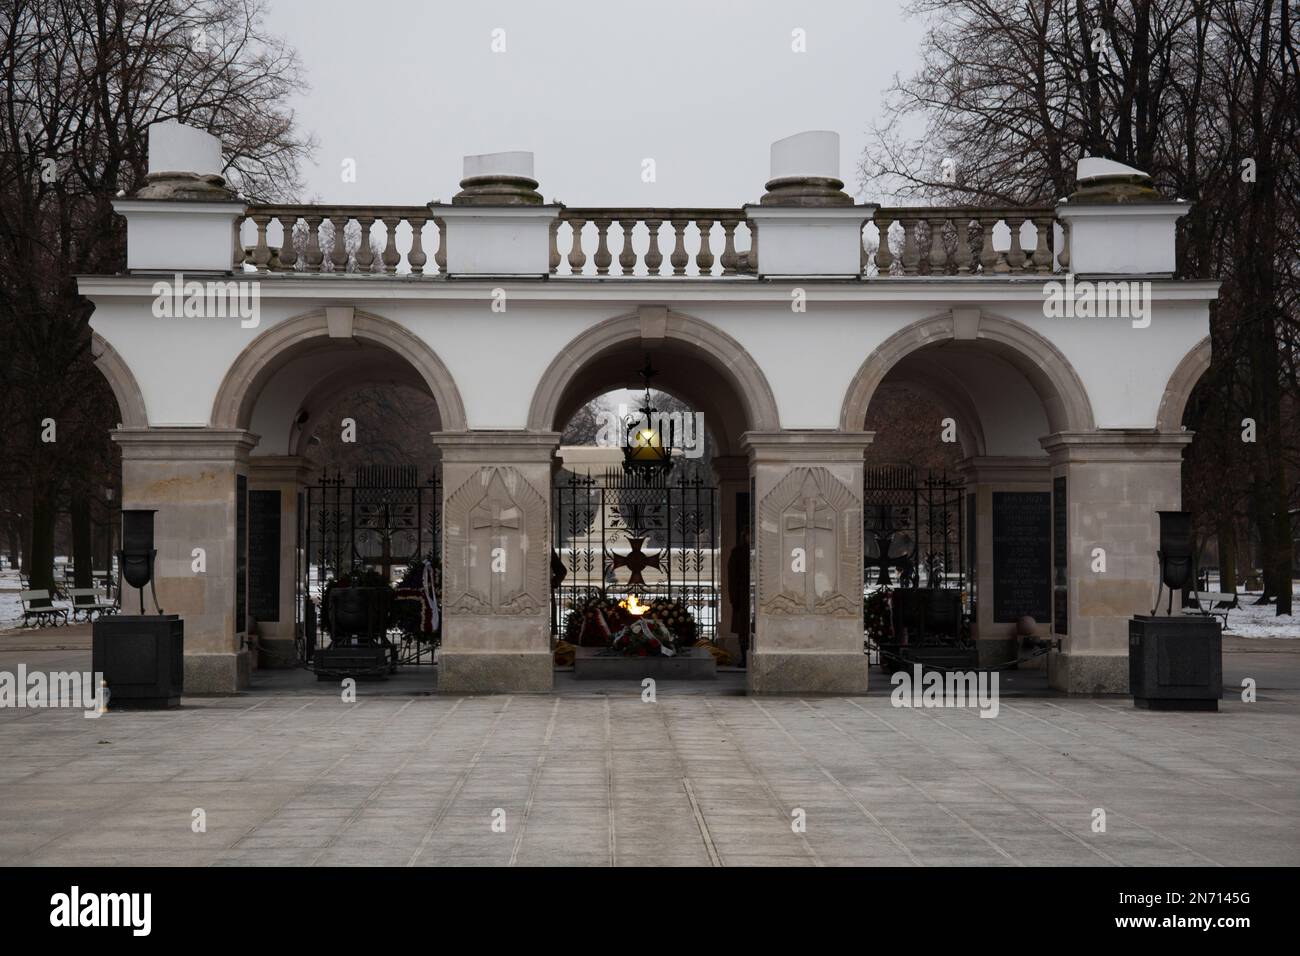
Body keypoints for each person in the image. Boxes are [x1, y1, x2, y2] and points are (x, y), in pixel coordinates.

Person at [727, 525, 751, 668]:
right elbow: (732, 577)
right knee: (743, 631)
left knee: (750, 629)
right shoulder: (737, 553)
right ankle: (744, 658)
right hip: (742, 597)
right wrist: (734, 598)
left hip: (751, 597)